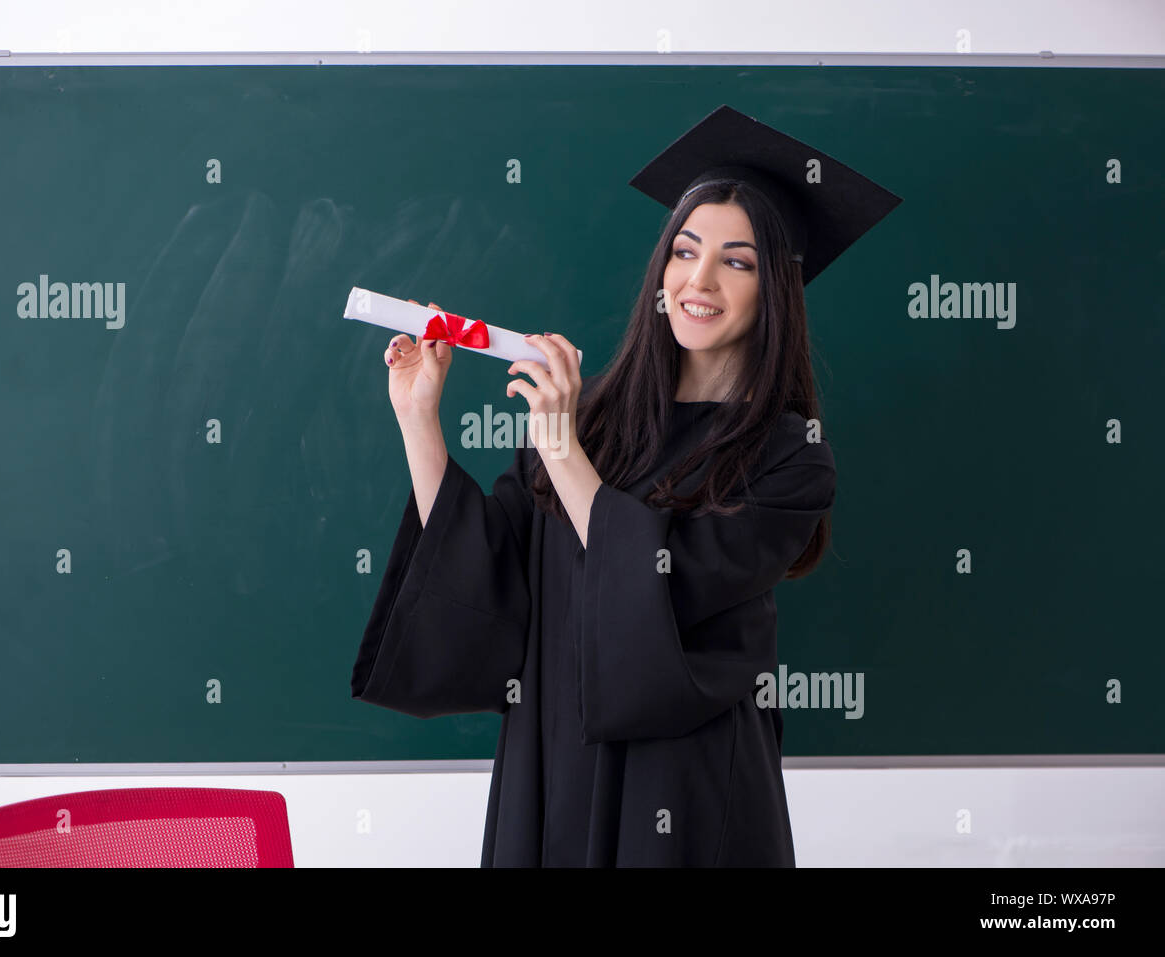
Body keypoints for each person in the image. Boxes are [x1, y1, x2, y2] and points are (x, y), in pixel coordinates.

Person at [350, 105, 902, 866]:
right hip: (552, 771)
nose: (698, 280)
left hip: (685, 790)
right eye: (685, 251)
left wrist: (563, 448)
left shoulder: (790, 460)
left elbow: (661, 590)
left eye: (736, 262)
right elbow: (494, 573)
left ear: (774, 290)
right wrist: (419, 419)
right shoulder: (595, 415)